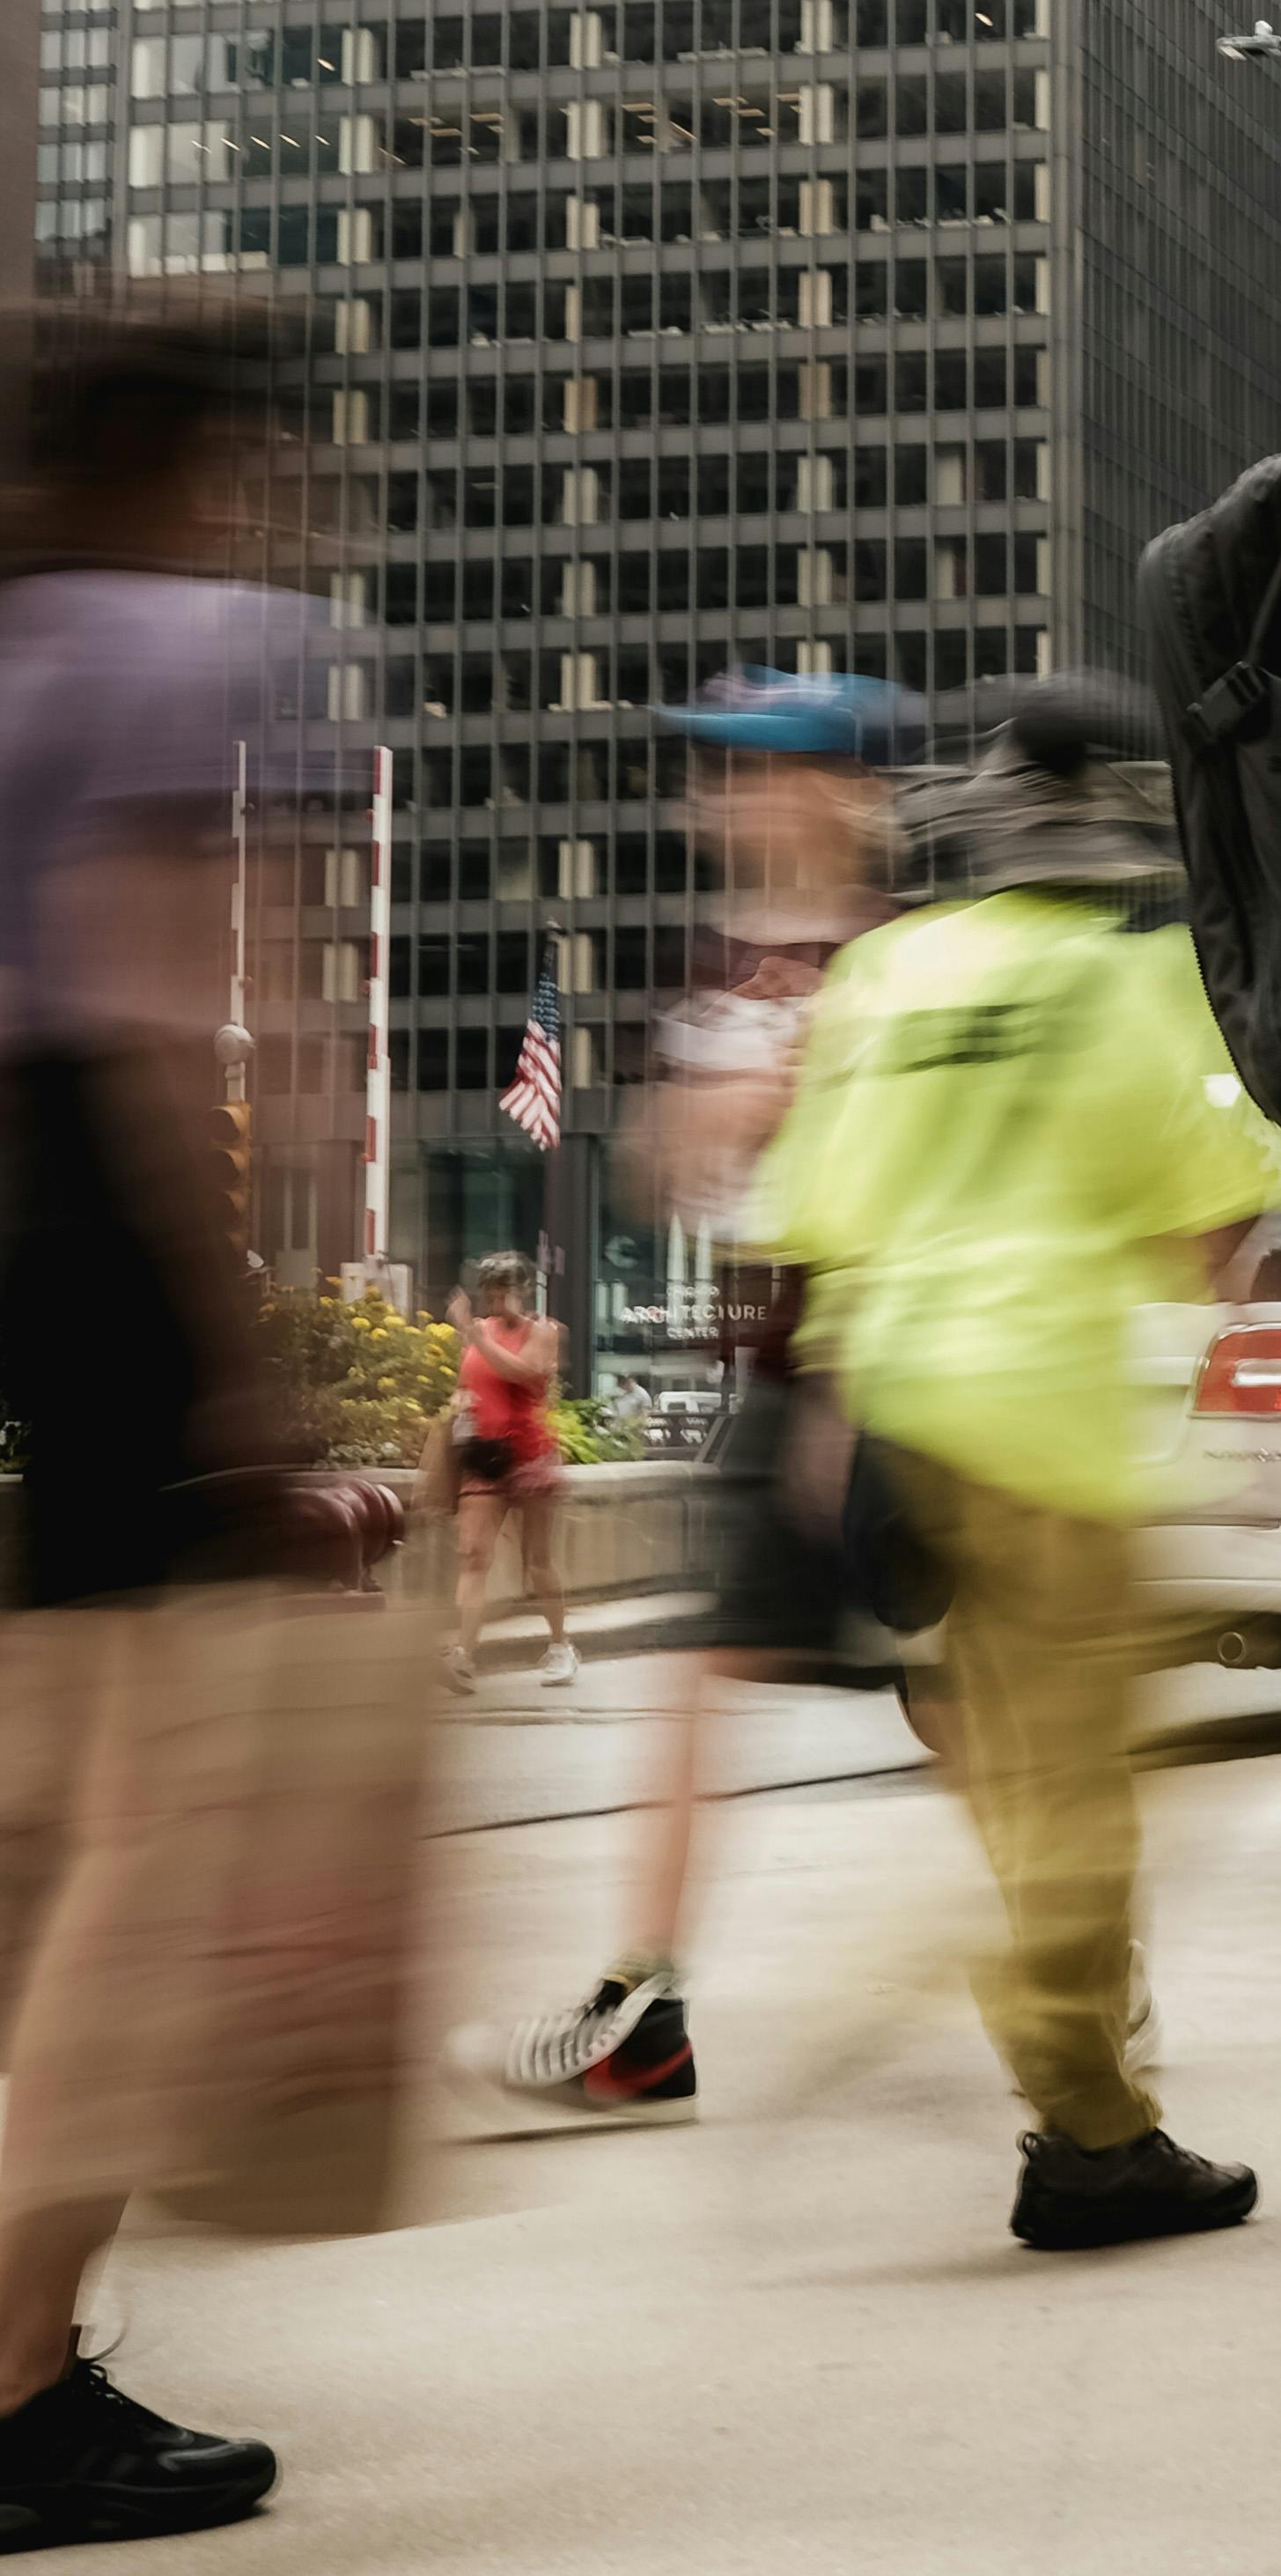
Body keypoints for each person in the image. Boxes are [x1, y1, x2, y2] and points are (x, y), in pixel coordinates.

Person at [751, 682, 1281, 2242]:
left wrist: (833, 1419)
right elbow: (1213, 1217)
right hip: (1047, 1433)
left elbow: (808, 1228)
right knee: (1102, 1797)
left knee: (1014, 1780)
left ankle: (1089, 2115)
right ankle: (1072, 2118)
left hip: (896, 1421)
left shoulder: (887, 972)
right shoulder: (1129, 986)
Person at [0, 308, 327, 2555]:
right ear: (194, 464)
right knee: (145, 1836)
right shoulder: (205, 642)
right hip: (77, 1207)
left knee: (46, 1812)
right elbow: (192, 999)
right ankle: (17, 2377)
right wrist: (244, 1357)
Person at [449, 676, 907, 2126]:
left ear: (840, 790)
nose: (723, 794)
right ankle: (646, 2014)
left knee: (982, 1699)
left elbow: (909, 1178)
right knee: (715, 1686)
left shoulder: (896, 959)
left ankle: (1085, 1973)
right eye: (718, 768)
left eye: (762, 768)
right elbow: (662, 1168)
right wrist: (707, 1118)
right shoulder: (728, 964)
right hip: (790, 1359)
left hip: (882, 1357)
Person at [435, 1253, 573, 1694]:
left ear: (524, 1290)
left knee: (536, 1561)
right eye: (489, 1293)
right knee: (473, 1554)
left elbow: (522, 1373)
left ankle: (560, 1644)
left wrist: (474, 1332)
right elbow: (470, 1383)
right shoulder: (481, 1332)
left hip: (529, 1456)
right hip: (485, 1458)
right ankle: (463, 1655)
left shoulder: (545, 1332)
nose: (495, 1301)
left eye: (504, 1292)